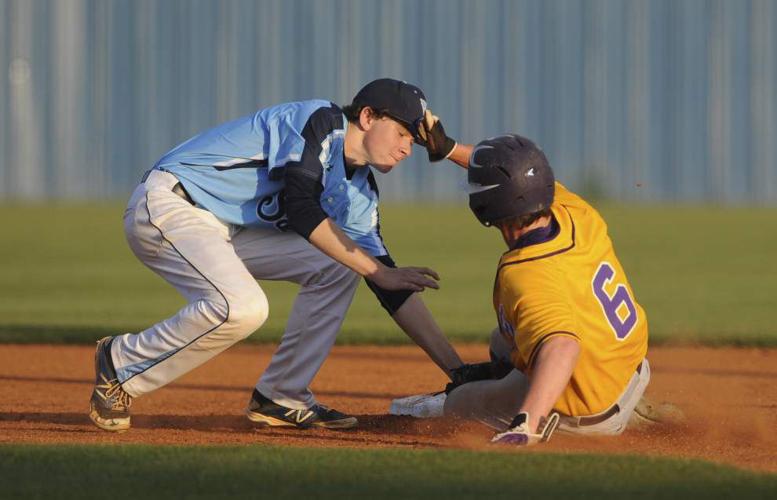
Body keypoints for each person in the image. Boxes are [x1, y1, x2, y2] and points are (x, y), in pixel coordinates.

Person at [88, 78, 468, 432]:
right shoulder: (320, 122)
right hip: (170, 205)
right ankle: (120, 363)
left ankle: (282, 395)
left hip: (225, 229)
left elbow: (389, 284)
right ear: (367, 116)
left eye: (412, 142)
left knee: (341, 264)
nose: (406, 147)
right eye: (402, 132)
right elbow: (300, 206)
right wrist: (377, 272)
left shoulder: (359, 193)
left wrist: (457, 370)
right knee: (242, 307)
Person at [390, 133, 652, 445]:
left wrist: (528, 424)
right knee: (502, 341)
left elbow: (562, 346)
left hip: (591, 411)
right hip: (629, 368)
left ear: (486, 205)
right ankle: (633, 405)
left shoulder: (526, 274)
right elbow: (510, 170)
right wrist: (449, 150)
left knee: (461, 402)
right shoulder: (574, 211)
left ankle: (464, 405)